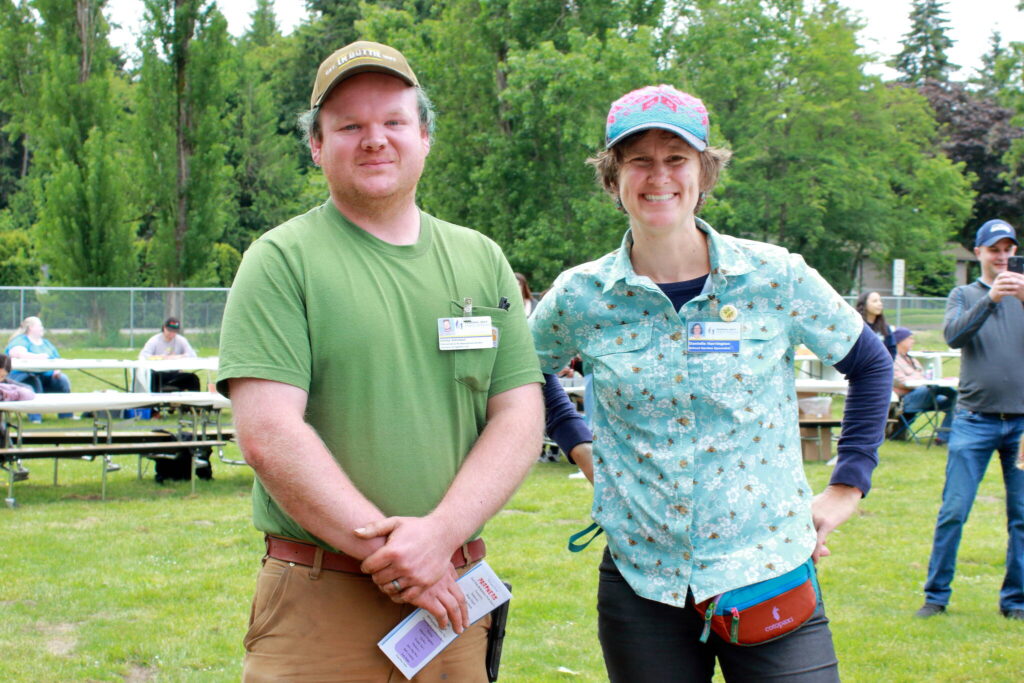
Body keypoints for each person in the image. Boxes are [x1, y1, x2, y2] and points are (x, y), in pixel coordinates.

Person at [530, 84, 892, 682]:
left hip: (766, 568)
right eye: (638, 160)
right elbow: (525, 369)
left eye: (676, 159)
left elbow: (871, 364)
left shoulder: (774, 276)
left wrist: (848, 484)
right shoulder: (581, 296)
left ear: (704, 173)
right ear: (613, 177)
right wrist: (577, 442)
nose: (658, 176)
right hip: (643, 581)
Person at [217, 40, 546, 681]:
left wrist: (439, 536)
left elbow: (519, 416)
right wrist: (399, 556)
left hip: (451, 598)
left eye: (394, 122)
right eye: (350, 126)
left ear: (424, 135)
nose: (375, 140)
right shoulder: (281, 260)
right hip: (322, 602)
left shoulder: (481, 259)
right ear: (317, 145)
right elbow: (267, 433)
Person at [916, 219, 1024, 621]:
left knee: (1022, 517)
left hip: (1022, 425)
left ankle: (1016, 602)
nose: (1002, 256)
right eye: (994, 249)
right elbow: (953, 336)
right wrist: (991, 299)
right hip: (974, 420)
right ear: (978, 252)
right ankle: (936, 597)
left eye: (1008, 249)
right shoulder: (963, 294)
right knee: (954, 510)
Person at [890, 327, 958, 444]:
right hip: (907, 399)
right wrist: (923, 381)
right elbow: (899, 381)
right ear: (900, 341)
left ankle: (943, 438)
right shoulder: (892, 359)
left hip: (925, 395)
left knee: (956, 398)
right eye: (910, 338)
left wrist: (926, 380)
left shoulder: (911, 359)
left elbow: (922, 376)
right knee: (937, 387)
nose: (913, 341)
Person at [5, 316, 71, 422]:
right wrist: (37, 357)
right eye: (40, 326)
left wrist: (56, 370)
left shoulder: (46, 343)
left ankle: (67, 416)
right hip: (23, 376)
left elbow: (56, 359)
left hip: (46, 376)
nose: (42, 328)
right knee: (34, 382)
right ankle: (35, 418)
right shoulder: (21, 340)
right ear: (31, 327)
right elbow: (16, 353)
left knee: (62, 380)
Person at [139, 317, 200, 392]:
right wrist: (161, 358)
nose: (172, 334)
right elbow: (144, 356)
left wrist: (178, 357)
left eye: (174, 331)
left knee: (192, 378)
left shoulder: (180, 340)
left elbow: (192, 355)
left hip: (174, 374)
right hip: (158, 374)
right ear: (164, 328)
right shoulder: (154, 340)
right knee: (152, 379)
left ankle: (194, 402)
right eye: (170, 331)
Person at [0, 353, 35, 481]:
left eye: (3, 376)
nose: (0, 379)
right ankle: (12, 458)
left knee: (3, 431)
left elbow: (29, 390)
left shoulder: (6, 385)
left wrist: (8, 393)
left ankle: (10, 458)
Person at [855, 290, 896, 358]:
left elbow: (892, 349)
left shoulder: (885, 328)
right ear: (864, 304)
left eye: (880, 301)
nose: (880, 304)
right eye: (875, 301)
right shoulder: (856, 326)